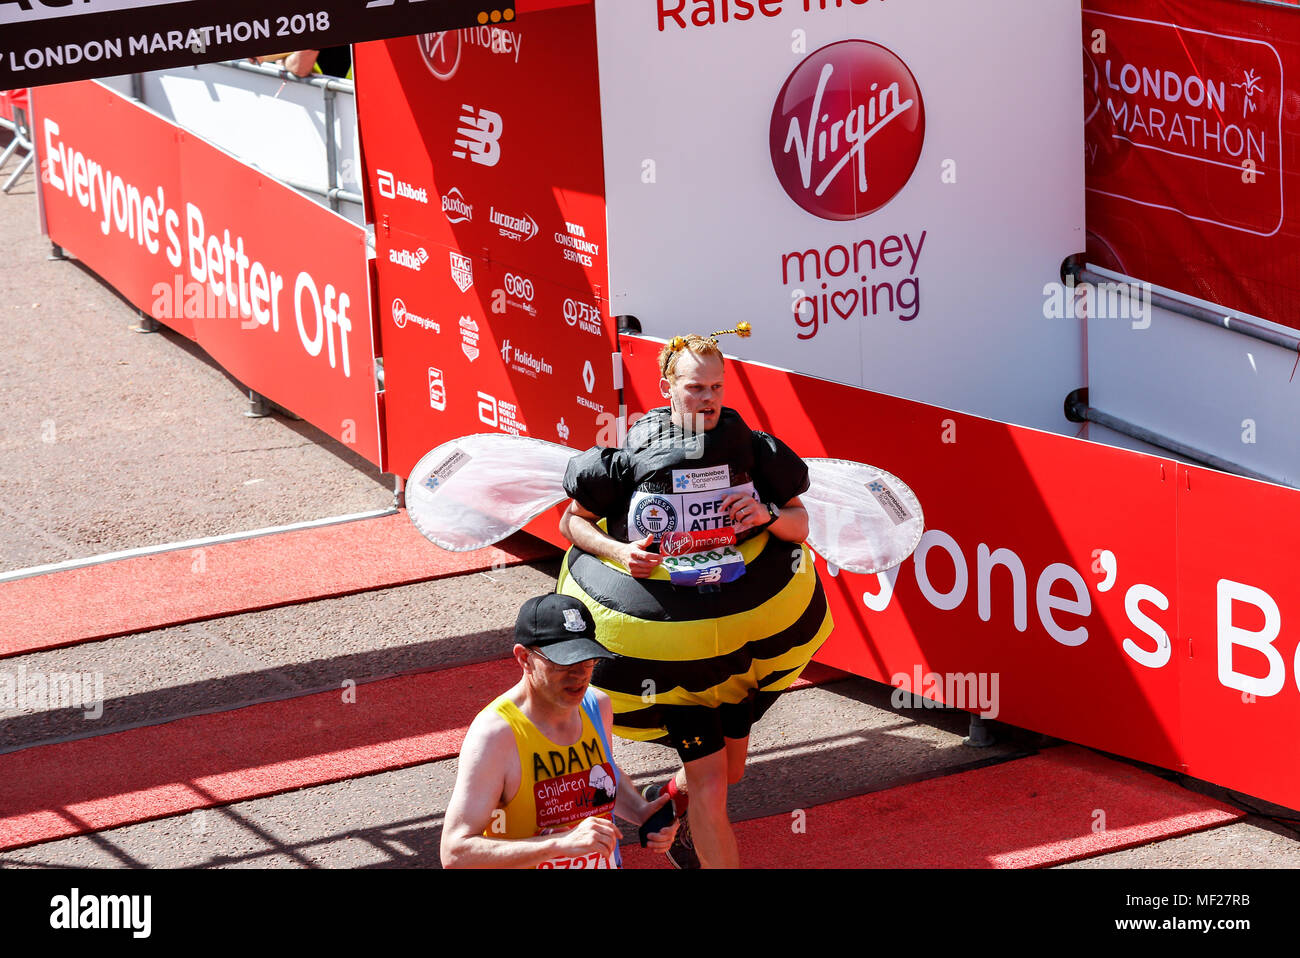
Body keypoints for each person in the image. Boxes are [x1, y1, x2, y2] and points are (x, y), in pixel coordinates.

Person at [556, 325, 834, 868]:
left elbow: (801, 523)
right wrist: (618, 553)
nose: (707, 399)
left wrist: (770, 516)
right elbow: (572, 521)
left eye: (716, 387)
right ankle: (692, 833)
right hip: (671, 653)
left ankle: (663, 811)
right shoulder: (631, 451)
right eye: (694, 388)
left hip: (737, 650)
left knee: (730, 771)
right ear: (666, 386)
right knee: (714, 789)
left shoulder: (748, 447)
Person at [440, 593, 679, 868]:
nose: (579, 675)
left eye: (588, 660)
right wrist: (559, 845)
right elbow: (456, 853)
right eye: (564, 662)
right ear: (524, 658)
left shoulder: (596, 705)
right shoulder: (496, 735)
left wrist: (641, 811)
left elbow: (602, 771)